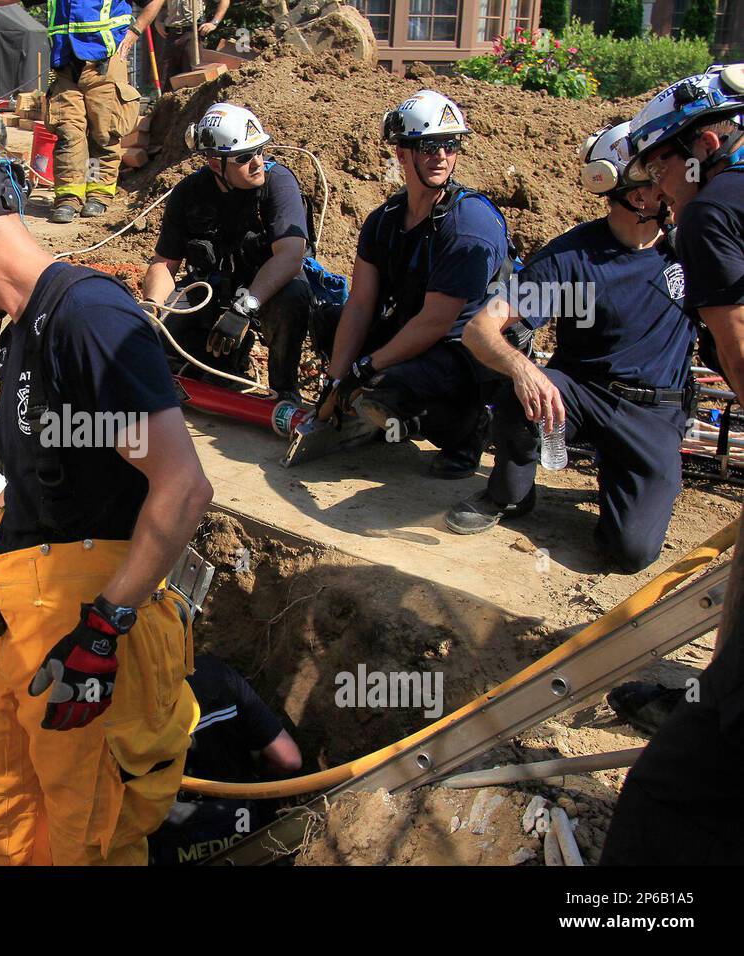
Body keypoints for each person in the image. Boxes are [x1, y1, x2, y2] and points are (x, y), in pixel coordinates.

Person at [0, 130, 213, 865]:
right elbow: (60, 495)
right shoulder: (30, 330)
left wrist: (103, 631)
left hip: (83, 645)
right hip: (17, 638)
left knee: (84, 840)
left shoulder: (89, 317)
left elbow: (183, 488)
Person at [599, 65, 744, 865]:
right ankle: (712, 697)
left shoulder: (714, 212)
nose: (655, 187)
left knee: (666, 802)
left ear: (705, 145)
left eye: (658, 166)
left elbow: (740, 350)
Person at [444, 121, 695, 574]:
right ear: (638, 196)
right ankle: (509, 495)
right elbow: (481, 328)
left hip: (654, 412)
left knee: (632, 553)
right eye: (660, 181)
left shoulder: (691, 251)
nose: (674, 187)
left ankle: (623, 486)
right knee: (519, 396)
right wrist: (523, 369)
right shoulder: (573, 260)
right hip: (581, 394)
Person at [314, 91, 516, 480]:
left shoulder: (467, 226)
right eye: (428, 146)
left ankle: (466, 432)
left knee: (389, 387)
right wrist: (337, 380)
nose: (441, 156)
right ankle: (371, 414)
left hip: (465, 347)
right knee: (329, 320)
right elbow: (360, 305)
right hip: (416, 327)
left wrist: (366, 368)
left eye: (450, 145)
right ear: (401, 153)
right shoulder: (385, 220)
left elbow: (437, 323)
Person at [142, 103, 312, 403]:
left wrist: (245, 308)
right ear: (214, 162)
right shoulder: (187, 194)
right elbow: (164, 264)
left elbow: (290, 255)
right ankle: (218, 367)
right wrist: (153, 312)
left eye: (260, 150)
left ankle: (284, 391)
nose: (257, 162)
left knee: (293, 297)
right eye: (244, 158)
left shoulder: (278, 183)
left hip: (267, 291)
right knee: (161, 337)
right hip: (213, 289)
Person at [0, 0, 165, 223]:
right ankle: (68, 198)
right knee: (68, 133)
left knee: (104, 134)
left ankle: (98, 194)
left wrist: (134, 32)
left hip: (105, 64)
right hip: (65, 67)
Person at [148, 653, 301, 866]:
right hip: (246, 831)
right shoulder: (217, 673)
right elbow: (289, 759)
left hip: (173, 840)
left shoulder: (129, 695)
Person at [150, 0, 229, 85]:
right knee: (166, 77)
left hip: (192, 33)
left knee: (192, 76)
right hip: (171, 34)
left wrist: (214, 22)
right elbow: (161, 5)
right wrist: (158, 21)